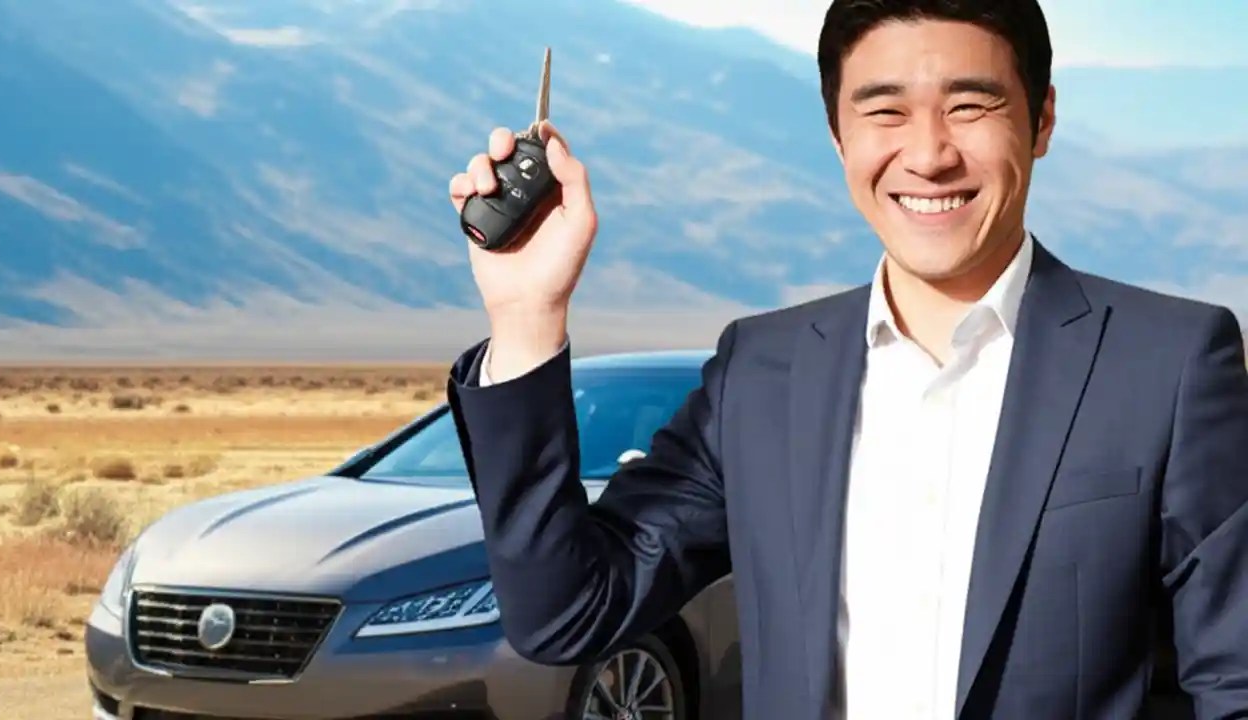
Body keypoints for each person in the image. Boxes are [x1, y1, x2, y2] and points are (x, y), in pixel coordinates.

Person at [443, 0, 1248, 717]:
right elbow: (568, 613)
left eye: (971, 105)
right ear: (838, 134)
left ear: (1040, 121)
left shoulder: (1170, 365)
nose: (928, 154)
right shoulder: (762, 373)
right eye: (885, 113)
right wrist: (527, 316)